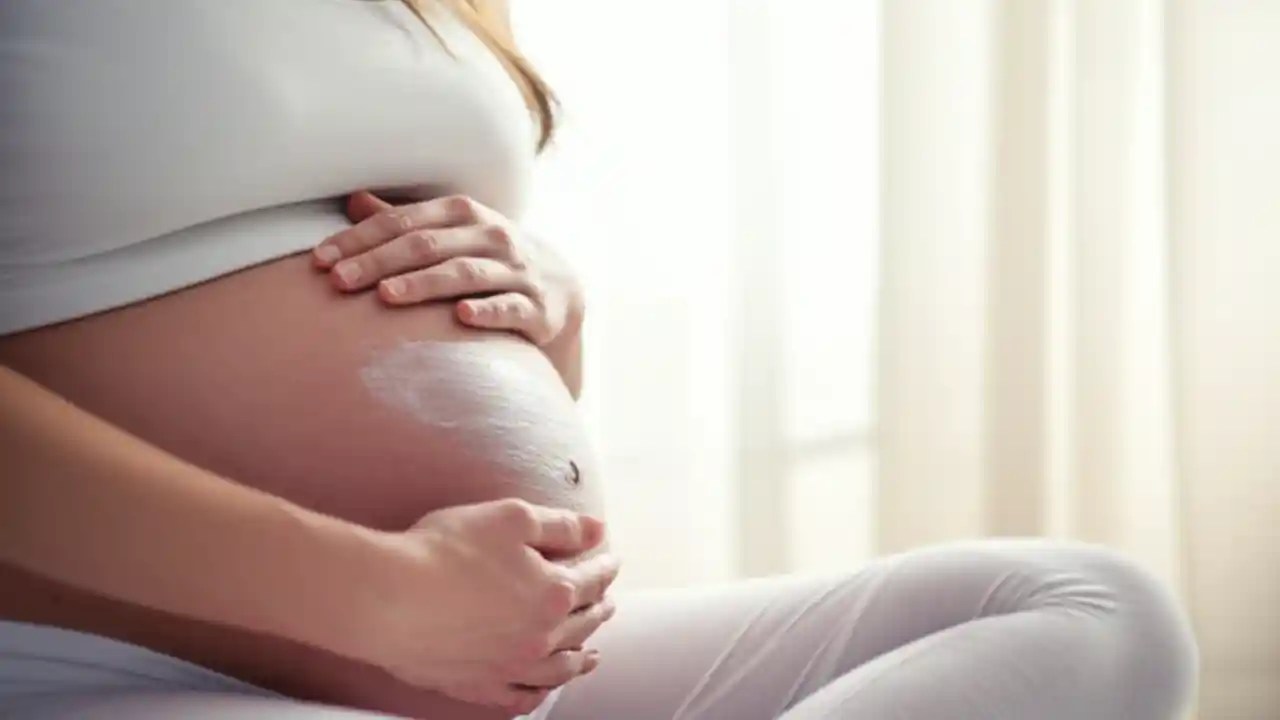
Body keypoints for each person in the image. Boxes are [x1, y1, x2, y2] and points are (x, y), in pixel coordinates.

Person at [0, 2, 1197, 718]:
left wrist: (542, 304)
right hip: (99, 664)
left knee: (1090, 613)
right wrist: (367, 593)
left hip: (496, 655)